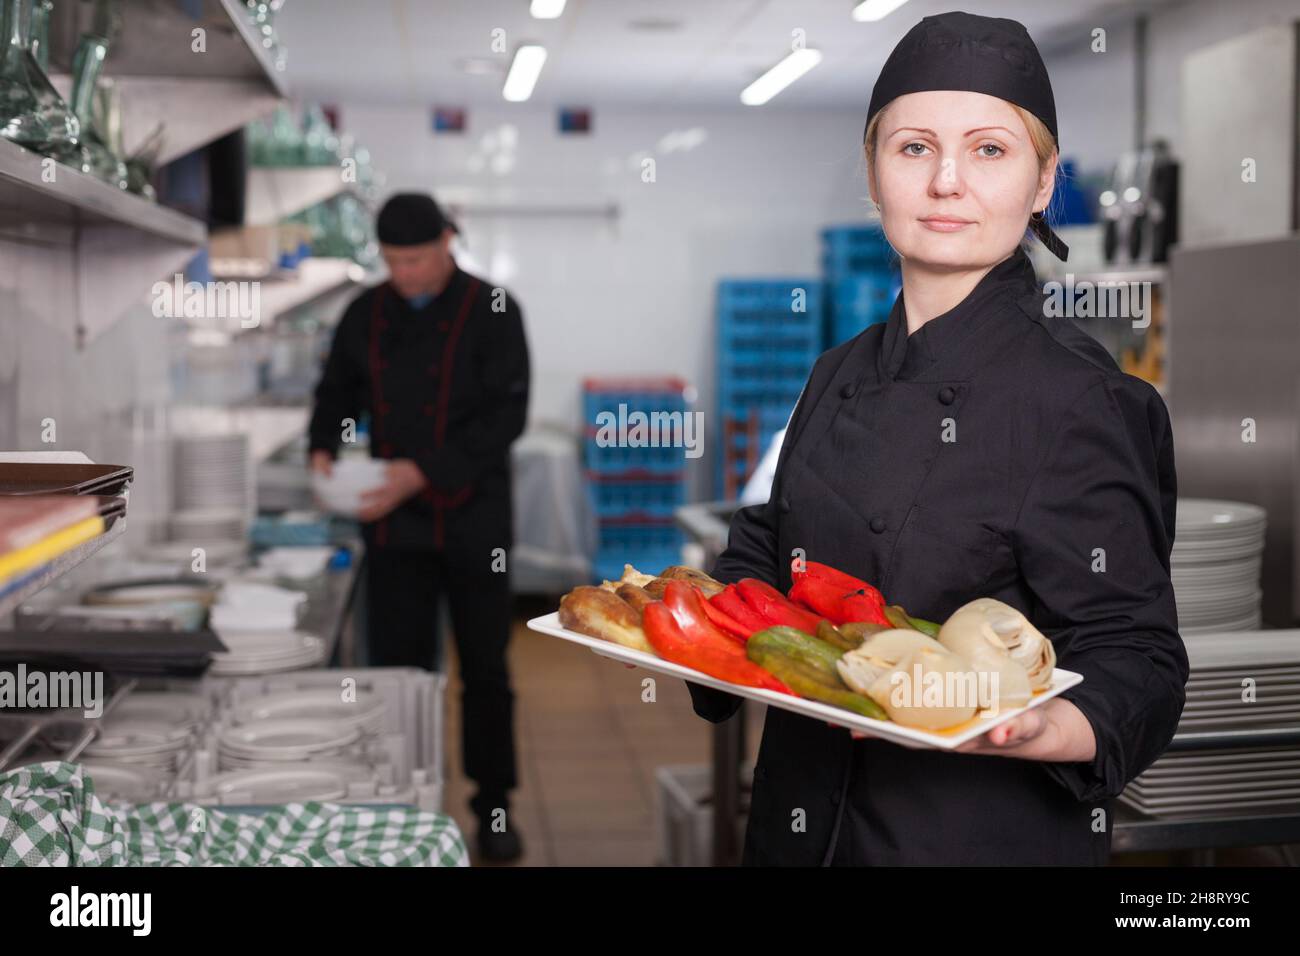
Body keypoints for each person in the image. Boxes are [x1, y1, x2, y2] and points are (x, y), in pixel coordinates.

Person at [690, 12, 1187, 865]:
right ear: (874, 174)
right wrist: (695, 631)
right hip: (799, 827)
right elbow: (763, 547)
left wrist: (1038, 726)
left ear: (1042, 183)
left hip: (967, 838)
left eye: (989, 150)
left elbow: (1136, 653)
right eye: (914, 148)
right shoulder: (836, 371)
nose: (946, 180)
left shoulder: (1086, 401)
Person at [308, 192, 530, 862]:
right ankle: (401, 808)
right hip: (393, 528)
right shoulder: (363, 313)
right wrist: (325, 443)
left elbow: (505, 418)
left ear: (448, 241)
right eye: (394, 261)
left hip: (475, 524)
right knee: (400, 673)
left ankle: (493, 808)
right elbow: (335, 392)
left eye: (417, 257)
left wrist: (419, 472)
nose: (405, 273)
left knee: (485, 671)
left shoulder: (494, 308)